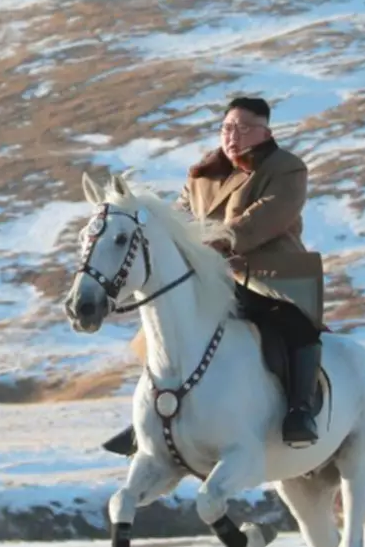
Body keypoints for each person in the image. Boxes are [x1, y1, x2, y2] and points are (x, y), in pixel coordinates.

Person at [102, 96, 325, 455]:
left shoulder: (286, 169)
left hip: (270, 273)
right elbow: (180, 218)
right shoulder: (202, 173)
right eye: (226, 128)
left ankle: (300, 411)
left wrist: (218, 241)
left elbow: (266, 217)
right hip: (212, 275)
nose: (231, 136)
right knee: (162, 329)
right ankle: (154, 416)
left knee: (294, 327)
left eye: (242, 128)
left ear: (264, 132)